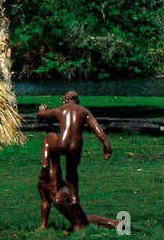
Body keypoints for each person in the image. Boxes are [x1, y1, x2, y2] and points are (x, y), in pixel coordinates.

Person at [36, 91, 118, 231]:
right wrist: (106, 144)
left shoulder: (59, 110)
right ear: (77, 101)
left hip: (60, 143)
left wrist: (41, 110)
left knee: (49, 137)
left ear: (64, 101)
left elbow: (41, 116)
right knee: (72, 171)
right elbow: (96, 128)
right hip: (75, 146)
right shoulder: (84, 111)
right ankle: (74, 197)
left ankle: (45, 164)